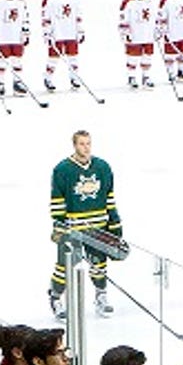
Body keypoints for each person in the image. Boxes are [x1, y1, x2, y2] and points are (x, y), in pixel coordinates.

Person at [46, 129, 119, 319]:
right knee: (65, 265)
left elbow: (109, 196)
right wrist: (59, 224)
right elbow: (57, 199)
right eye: (81, 144)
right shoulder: (62, 169)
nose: (86, 148)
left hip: (98, 227)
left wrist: (115, 222)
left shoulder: (103, 167)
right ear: (74, 145)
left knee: (99, 264)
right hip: (73, 228)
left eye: (88, 143)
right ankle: (55, 297)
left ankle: (101, 296)